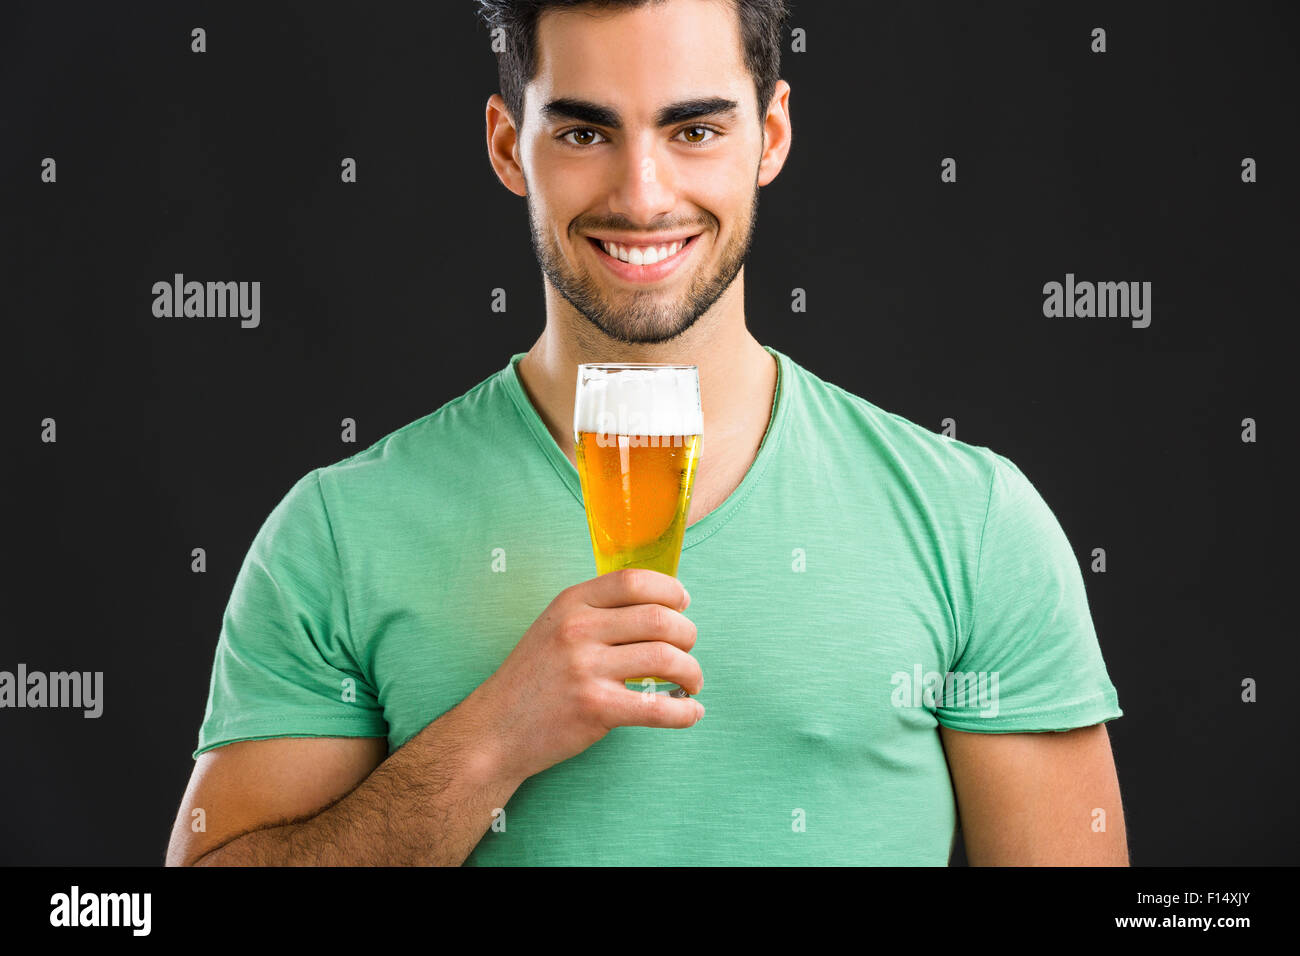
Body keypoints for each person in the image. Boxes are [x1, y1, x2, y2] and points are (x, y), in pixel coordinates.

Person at [166, 0, 1127, 866]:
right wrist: (493, 740)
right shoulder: (340, 532)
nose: (642, 194)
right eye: (585, 130)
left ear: (771, 134)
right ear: (508, 146)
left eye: (695, 128)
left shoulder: (974, 520)